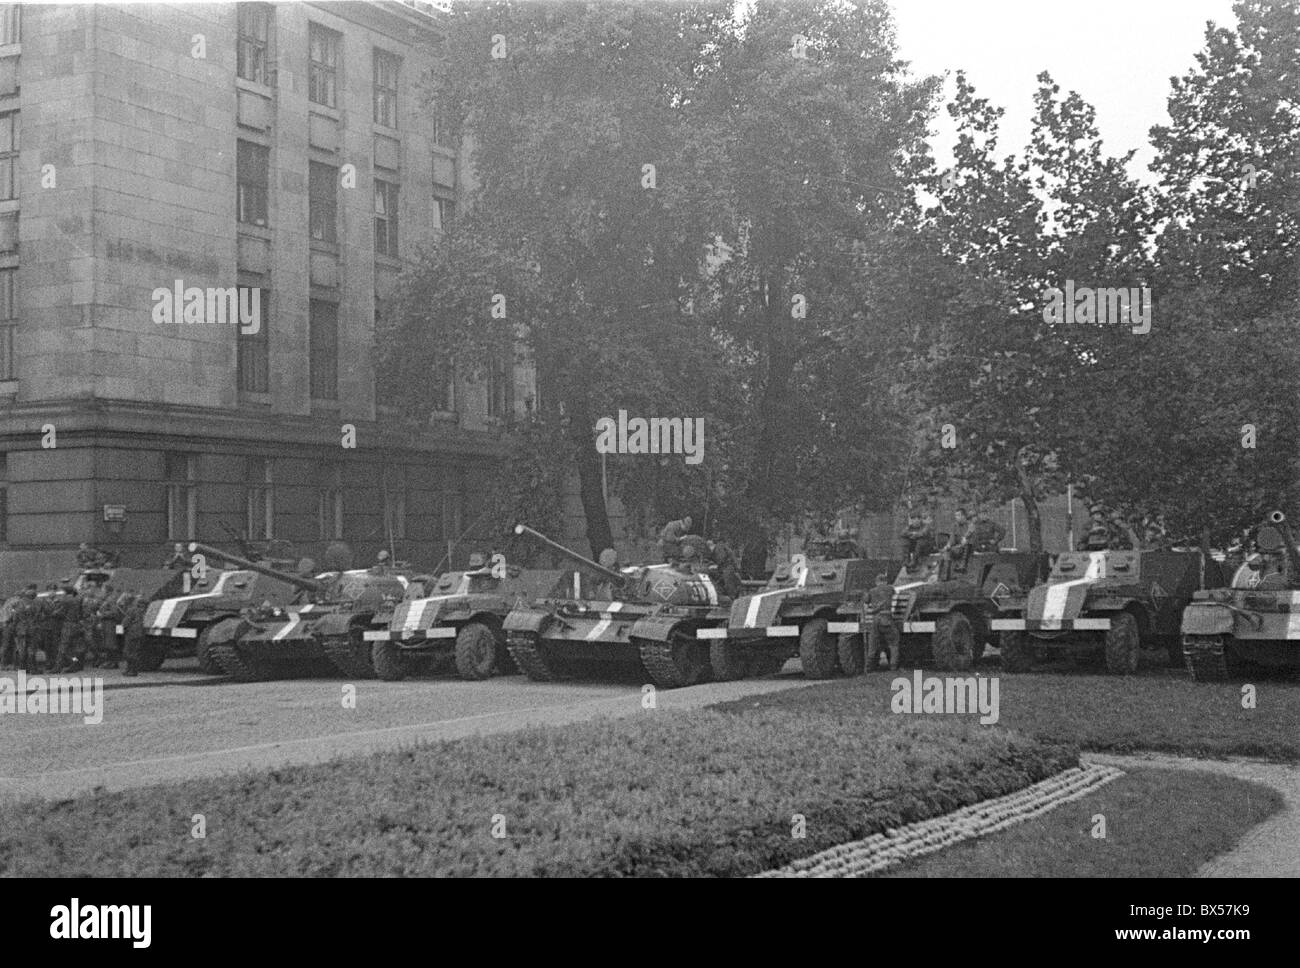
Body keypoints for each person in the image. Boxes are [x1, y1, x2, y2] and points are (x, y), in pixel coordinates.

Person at [862, 574, 900, 672]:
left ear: (876, 582)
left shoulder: (872, 591)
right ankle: (893, 666)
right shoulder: (890, 588)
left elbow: (865, 601)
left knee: (872, 644)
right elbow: (895, 592)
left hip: (876, 620)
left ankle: (868, 668)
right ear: (886, 581)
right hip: (886, 618)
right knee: (894, 642)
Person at [12, 585, 38, 674]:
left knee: (22, 649)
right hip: (32, 629)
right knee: (31, 649)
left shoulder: (19, 604)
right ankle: (33, 669)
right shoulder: (35, 604)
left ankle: (22, 669)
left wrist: (14, 628)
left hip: (21, 630)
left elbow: (15, 618)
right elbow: (37, 617)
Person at [120, 591, 146, 677]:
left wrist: (122, 627)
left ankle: (131, 670)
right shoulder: (141, 610)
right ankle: (131, 670)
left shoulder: (131, 610)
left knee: (128, 652)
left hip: (132, 633)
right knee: (134, 651)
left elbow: (126, 622)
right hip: (138, 632)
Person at [0, 588, 23, 669]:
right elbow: (13, 615)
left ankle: (3, 664)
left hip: (7, 626)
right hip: (14, 626)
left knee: (6, 645)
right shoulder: (18, 602)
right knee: (17, 646)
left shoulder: (9, 601)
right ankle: (15, 665)